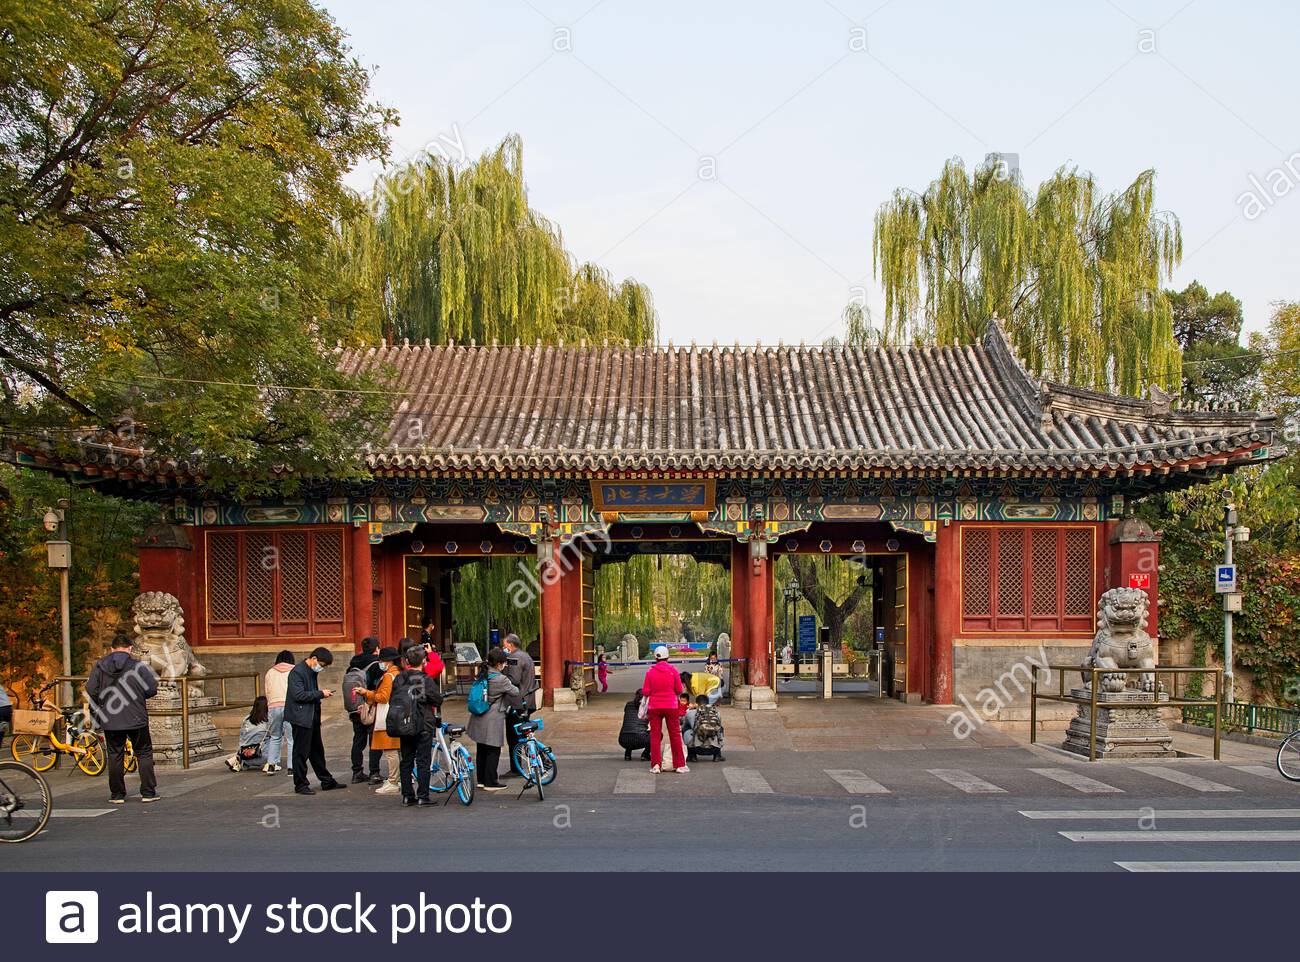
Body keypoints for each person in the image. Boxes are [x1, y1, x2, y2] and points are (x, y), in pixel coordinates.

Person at [85, 632, 160, 803]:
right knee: (143, 752)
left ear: (111, 649)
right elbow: (151, 689)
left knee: (115, 754)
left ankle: (117, 794)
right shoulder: (138, 666)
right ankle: (148, 792)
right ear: (130, 648)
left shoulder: (99, 665)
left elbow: (91, 689)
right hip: (136, 717)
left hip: (110, 718)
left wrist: (102, 701)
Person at [285, 646, 346, 796]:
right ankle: (300, 784)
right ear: (314, 659)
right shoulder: (298, 672)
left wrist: (320, 694)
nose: (322, 668)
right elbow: (299, 695)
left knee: (317, 751)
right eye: (322, 665)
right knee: (301, 752)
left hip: (311, 716)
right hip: (301, 718)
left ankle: (326, 780)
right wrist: (320, 694)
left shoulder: (311, 671)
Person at [390, 646, 443, 807]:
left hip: (404, 722)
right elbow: (436, 699)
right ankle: (423, 795)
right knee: (423, 761)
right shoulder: (424, 679)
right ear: (423, 661)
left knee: (406, 760)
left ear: (406, 661)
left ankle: (407, 795)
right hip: (422, 722)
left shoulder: (399, 679)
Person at [466, 647, 519, 791]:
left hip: (478, 717)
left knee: (482, 748)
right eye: (504, 663)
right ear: (499, 664)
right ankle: (491, 782)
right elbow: (515, 692)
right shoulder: (501, 679)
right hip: (492, 718)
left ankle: (481, 780)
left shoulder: (482, 674)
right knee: (493, 750)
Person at [358, 647, 402, 794]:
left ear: (388, 661)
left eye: (381, 661)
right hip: (398, 715)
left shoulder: (389, 676)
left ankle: (393, 781)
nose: (380, 663)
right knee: (397, 750)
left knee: (390, 751)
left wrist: (367, 693)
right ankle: (398, 779)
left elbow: (383, 697)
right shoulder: (399, 673)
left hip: (387, 716)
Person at [641, 645, 688, 774]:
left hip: (654, 707)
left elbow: (645, 691)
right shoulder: (673, 670)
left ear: (655, 658)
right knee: (675, 735)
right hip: (671, 706)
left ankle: (656, 765)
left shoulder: (650, 672)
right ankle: (679, 765)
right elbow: (679, 690)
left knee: (655, 736)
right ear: (668, 657)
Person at [346, 636, 381, 784]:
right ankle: (374, 772)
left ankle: (357, 771)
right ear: (376, 649)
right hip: (370, 706)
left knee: (358, 741)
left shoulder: (352, 665)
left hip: (355, 707)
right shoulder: (376, 665)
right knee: (374, 741)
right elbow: (376, 685)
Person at [500, 633, 535, 778]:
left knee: (513, 736)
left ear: (510, 645)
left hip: (516, 702)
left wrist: (500, 676)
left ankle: (516, 768)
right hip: (528, 700)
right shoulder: (526, 655)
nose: (503, 647)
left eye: (505, 645)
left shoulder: (513, 658)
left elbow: (514, 679)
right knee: (526, 733)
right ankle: (539, 758)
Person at [262, 650, 295, 775]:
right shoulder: (294, 670)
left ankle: (271, 765)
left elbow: (267, 691)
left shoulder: (270, 672)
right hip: (289, 706)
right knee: (292, 738)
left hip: (273, 706)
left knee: (275, 736)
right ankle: (291, 767)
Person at [225, 695, 270, 772]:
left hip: (244, 753)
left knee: (247, 740)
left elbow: (241, 737)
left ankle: (239, 759)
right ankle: (270, 763)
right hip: (261, 756)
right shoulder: (268, 720)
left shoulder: (246, 719)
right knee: (277, 737)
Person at [685, 694, 726, 762]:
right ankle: (717, 755)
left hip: (696, 748)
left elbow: (683, 723)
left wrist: (690, 709)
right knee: (720, 728)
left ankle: (692, 756)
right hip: (714, 749)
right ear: (708, 703)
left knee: (686, 727)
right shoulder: (716, 713)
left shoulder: (690, 713)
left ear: (696, 704)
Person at [618, 689, 651, 761]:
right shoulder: (647, 707)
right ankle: (645, 754)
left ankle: (627, 754)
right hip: (640, 739)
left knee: (630, 728)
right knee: (657, 734)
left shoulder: (628, 704)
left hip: (623, 739)